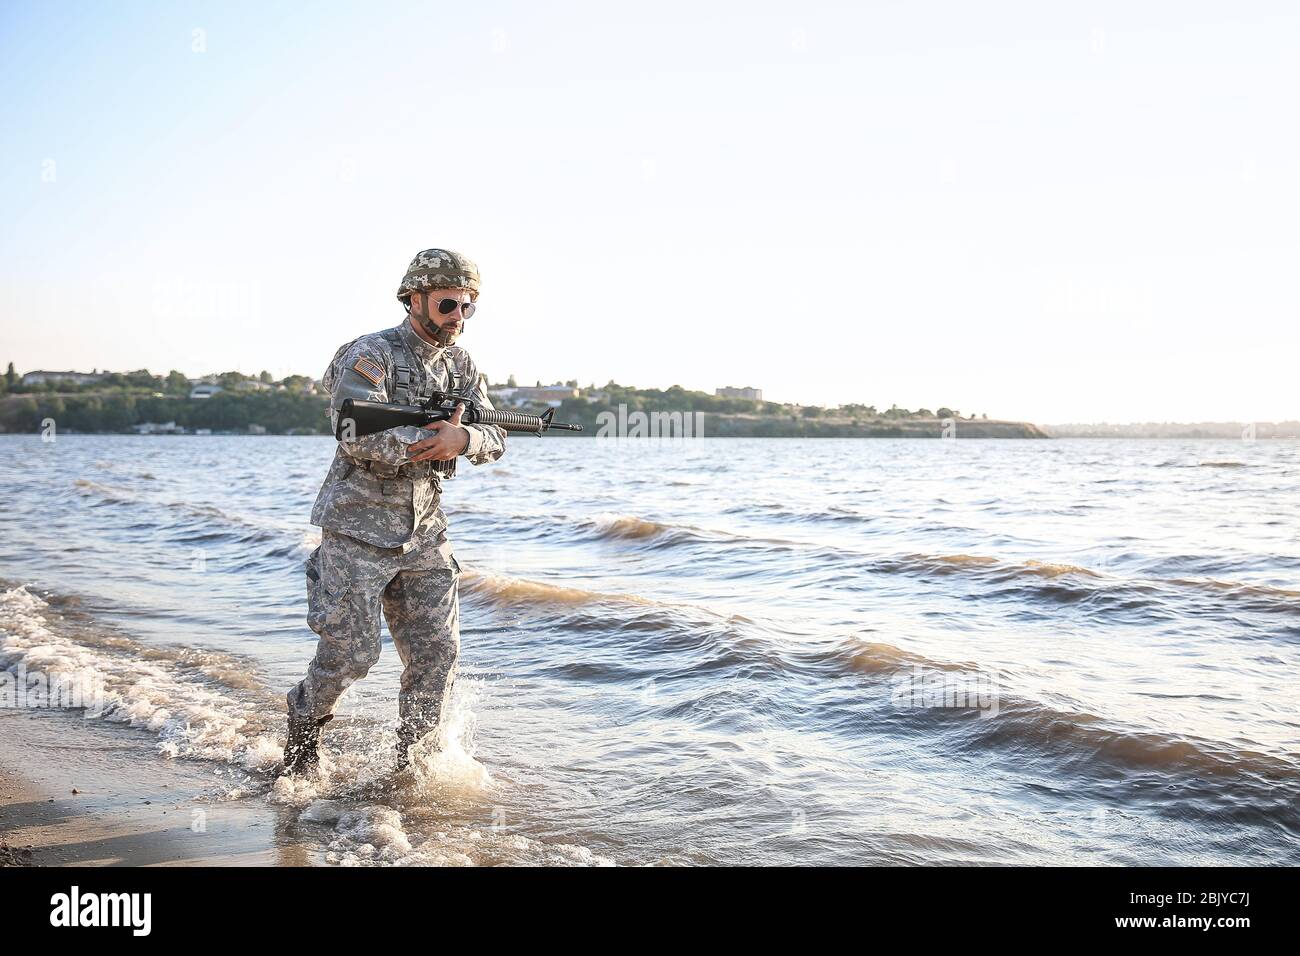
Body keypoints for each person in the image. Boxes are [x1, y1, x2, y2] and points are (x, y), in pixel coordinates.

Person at [281, 248, 506, 776]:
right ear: (415, 298)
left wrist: (466, 437)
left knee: (438, 656)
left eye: (468, 307)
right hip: (356, 528)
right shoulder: (370, 353)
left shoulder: (463, 366)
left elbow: (495, 435)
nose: (458, 317)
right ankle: (303, 724)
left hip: (425, 532)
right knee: (352, 655)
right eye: (449, 304)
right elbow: (355, 432)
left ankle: (413, 773)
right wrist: (428, 443)